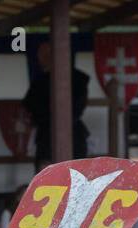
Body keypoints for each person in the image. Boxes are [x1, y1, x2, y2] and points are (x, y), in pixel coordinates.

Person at [21, 40, 89, 168]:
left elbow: (78, 107)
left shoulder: (78, 79)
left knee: (76, 175)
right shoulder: (39, 82)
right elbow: (30, 107)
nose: (41, 59)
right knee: (48, 179)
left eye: (46, 55)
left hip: (71, 134)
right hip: (47, 136)